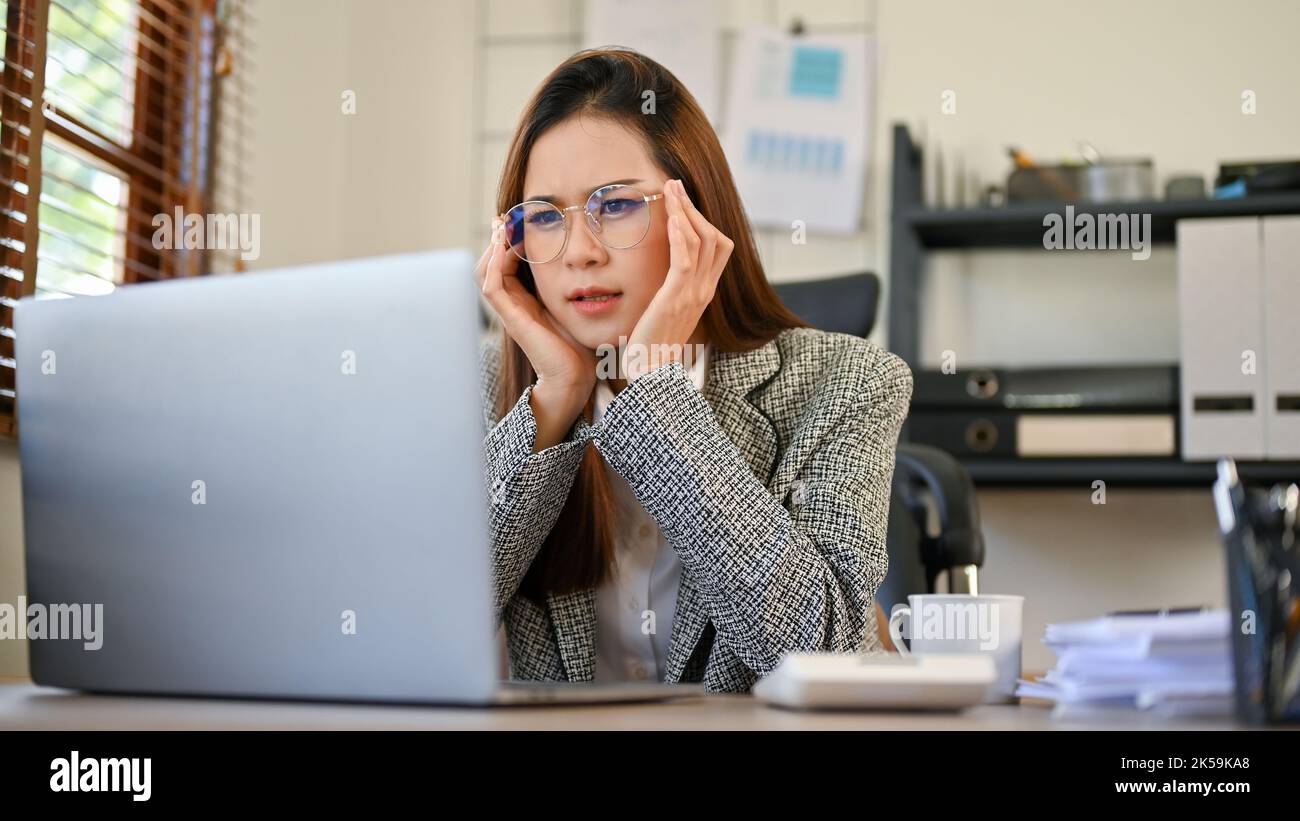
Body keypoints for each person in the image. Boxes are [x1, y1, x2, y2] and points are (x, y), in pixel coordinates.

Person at [474, 48, 912, 693]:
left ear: (697, 215)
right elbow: (415, 628)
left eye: (616, 205)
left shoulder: (849, 379)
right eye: (544, 217)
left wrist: (654, 395)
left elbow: (819, 656)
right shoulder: (483, 387)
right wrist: (556, 398)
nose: (581, 253)